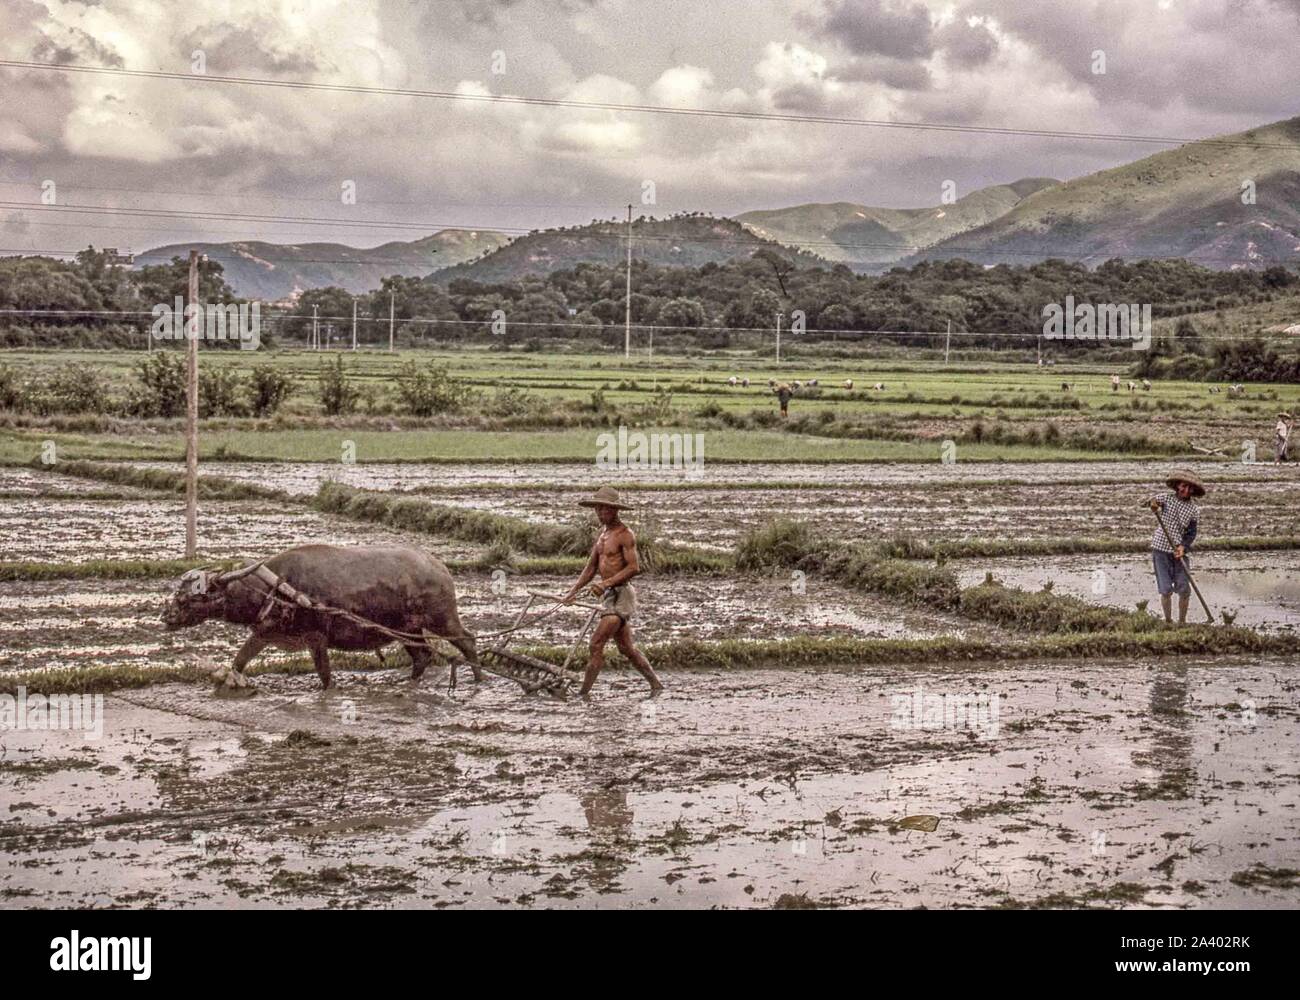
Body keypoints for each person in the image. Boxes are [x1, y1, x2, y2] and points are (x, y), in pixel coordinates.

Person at [562, 486, 663, 697]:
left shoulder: (625, 535)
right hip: (609, 596)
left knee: (596, 642)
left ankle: (583, 693)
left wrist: (606, 583)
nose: (600, 513)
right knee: (627, 649)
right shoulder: (602, 535)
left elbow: (633, 567)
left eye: (604, 510)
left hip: (622, 596)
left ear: (614, 510)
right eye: (597, 509)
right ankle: (656, 685)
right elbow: (590, 568)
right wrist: (572, 592)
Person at [1147, 471, 1206, 624]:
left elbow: (1191, 533)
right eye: (1183, 486)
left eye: (1190, 488)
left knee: (1184, 589)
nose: (1186, 490)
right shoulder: (1166, 498)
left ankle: (1182, 622)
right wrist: (1153, 504)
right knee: (1165, 589)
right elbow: (1148, 501)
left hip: (1178, 551)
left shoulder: (1193, 510)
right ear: (1177, 486)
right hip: (1161, 549)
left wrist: (1183, 547)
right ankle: (1168, 621)